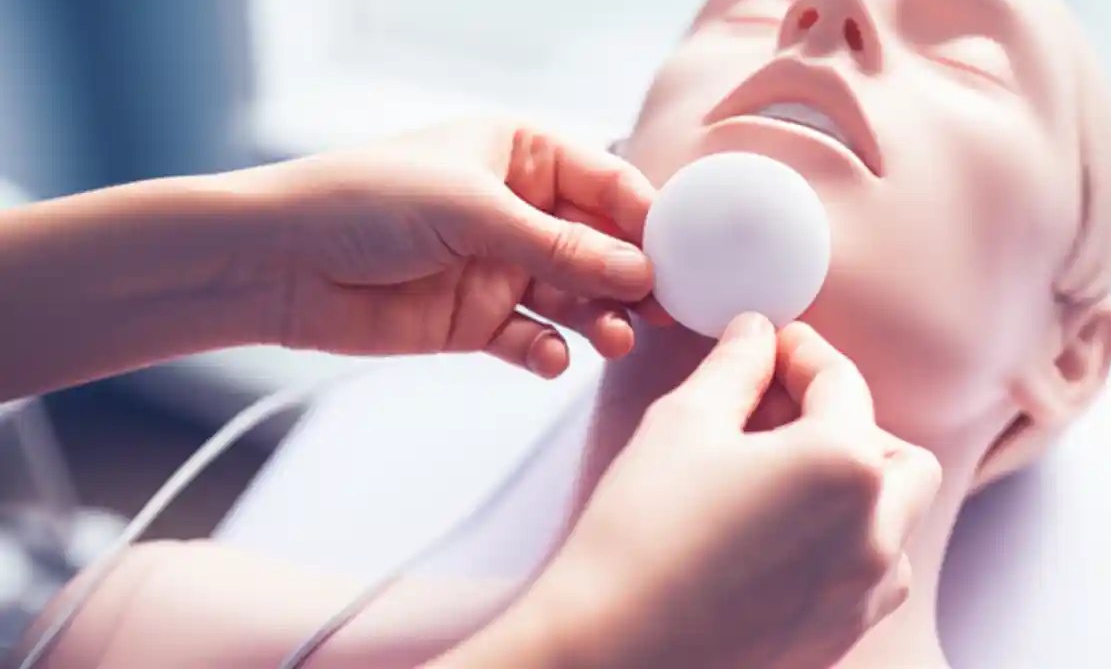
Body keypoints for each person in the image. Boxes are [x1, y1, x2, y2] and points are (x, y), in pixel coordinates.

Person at [3, 117, 938, 668]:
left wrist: (268, 265)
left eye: (970, 57)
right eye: (746, 12)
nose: (827, 8)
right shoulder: (148, 617)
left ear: (1070, 359)